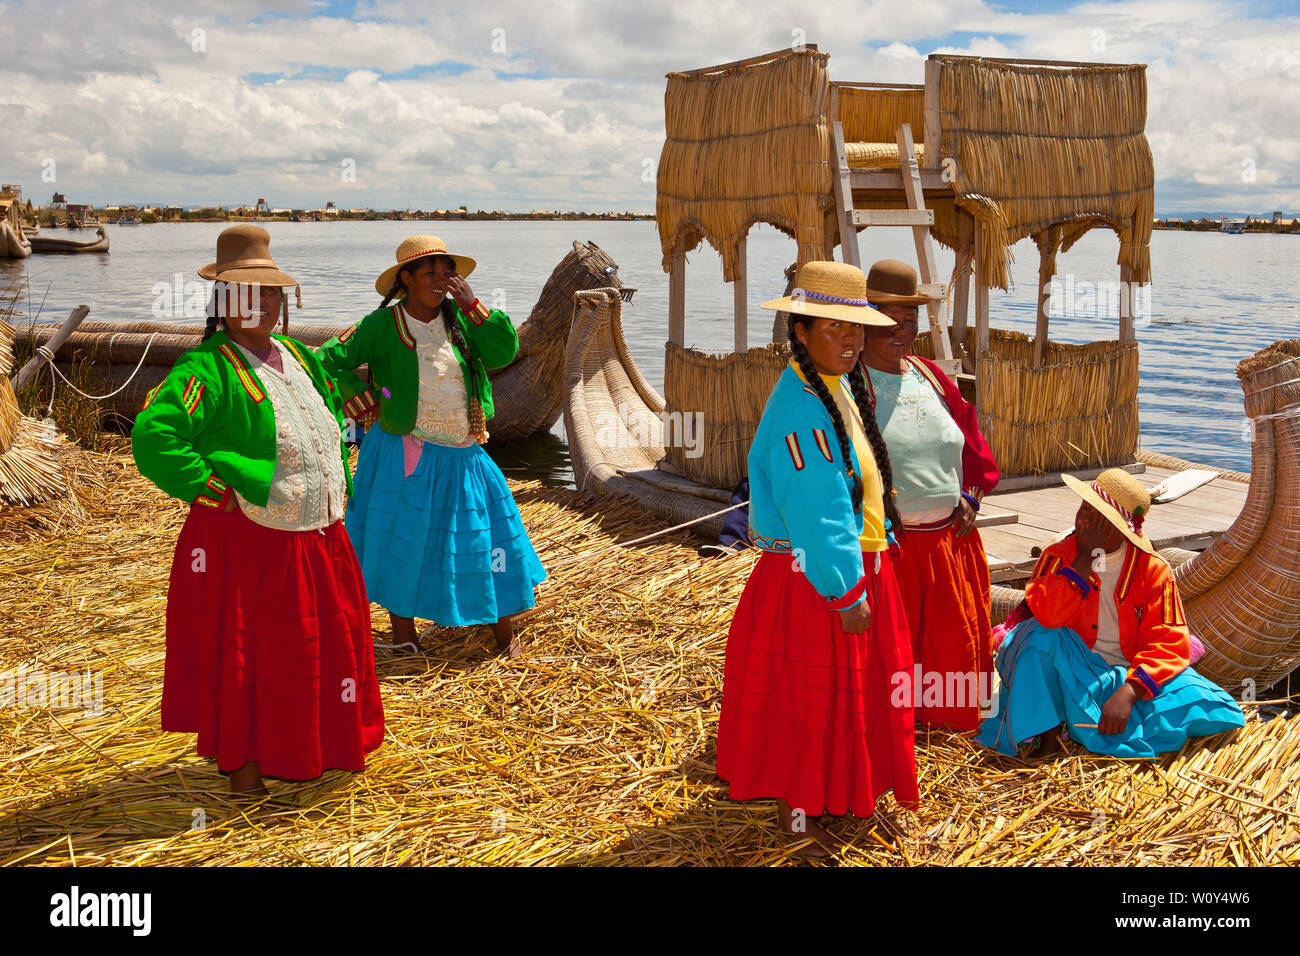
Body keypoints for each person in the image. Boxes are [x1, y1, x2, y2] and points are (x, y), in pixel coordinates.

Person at [132, 225, 385, 795]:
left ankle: (312, 749)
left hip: (317, 530)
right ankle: (244, 768)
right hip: (251, 536)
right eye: (247, 293)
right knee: (258, 656)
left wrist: (355, 394)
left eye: (270, 292)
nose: (262, 304)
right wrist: (210, 490)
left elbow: (330, 382)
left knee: (315, 649)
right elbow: (155, 437)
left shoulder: (295, 353)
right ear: (223, 303)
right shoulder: (207, 371)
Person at [716, 260, 918, 854]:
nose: (851, 339)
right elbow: (819, 512)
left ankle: (840, 790)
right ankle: (797, 817)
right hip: (816, 581)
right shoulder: (803, 409)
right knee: (810, 702)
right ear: (800, 331)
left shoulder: (830, 386)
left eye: (857, 327)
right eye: (833, 327)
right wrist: (847, 591)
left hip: (847, 568)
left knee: (840, 696)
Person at [318, 236, 546, 657]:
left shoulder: (462, 321)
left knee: (490, 540)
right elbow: (326, 360)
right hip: (404, 451)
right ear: (406, 278)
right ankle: (404, 636)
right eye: (431, 272)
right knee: (401, 541)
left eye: (447, 271)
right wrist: (357, 394)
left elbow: (505, 351)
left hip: (463, 453)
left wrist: (473, 306)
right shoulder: (382, 325)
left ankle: (503, 632)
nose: (442, 280)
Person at [976, 468, 1245, 758]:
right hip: (1066, 671)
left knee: (1212, 705)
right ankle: (1050, 734)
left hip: (1121, 675)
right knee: (1039, 637)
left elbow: (1168, 642)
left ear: (1118, 528)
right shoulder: (1058, 556)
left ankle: (1084, 720)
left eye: (1095, 516)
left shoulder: (1153, 571)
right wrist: (1082, 560)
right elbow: (1047, 617)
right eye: (1082, 508)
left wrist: (1129, 692)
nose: (1082, 520)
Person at [858, 259, 1000, 733]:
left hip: (947, 546)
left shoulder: (929, 375)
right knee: (890, 656)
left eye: (910, 319)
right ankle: (891, 733)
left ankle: (935, 727)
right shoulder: (849, 388)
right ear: (864, 320)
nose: (902, 331)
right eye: (888, 320)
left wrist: (972, 495)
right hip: (890, 551)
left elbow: (971, 440)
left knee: (945, 654)